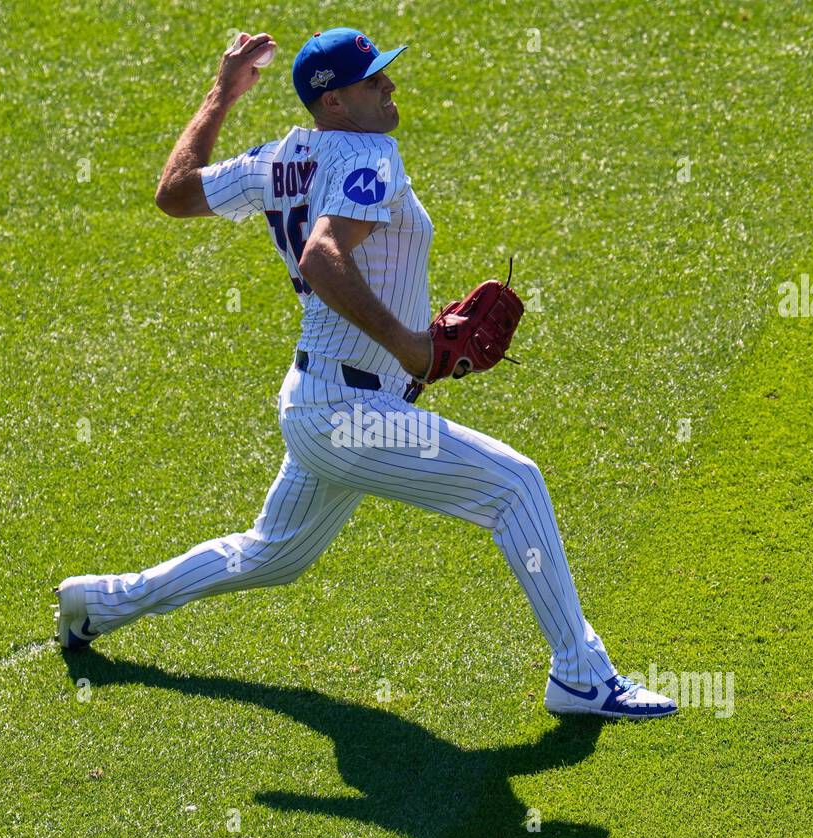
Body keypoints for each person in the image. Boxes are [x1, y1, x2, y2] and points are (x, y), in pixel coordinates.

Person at [54, 28, 676, 719]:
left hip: (319, 400)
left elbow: (174, 192)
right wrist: (410, 346)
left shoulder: (278, 159)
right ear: (336, 101)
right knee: (515, 486)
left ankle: (99, 602)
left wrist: (222, 95)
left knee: (273, 555)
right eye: (373, 80)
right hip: (349, 411)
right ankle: (582, 677)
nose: (388, 87)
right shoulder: (371, 154)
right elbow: (323, 257)